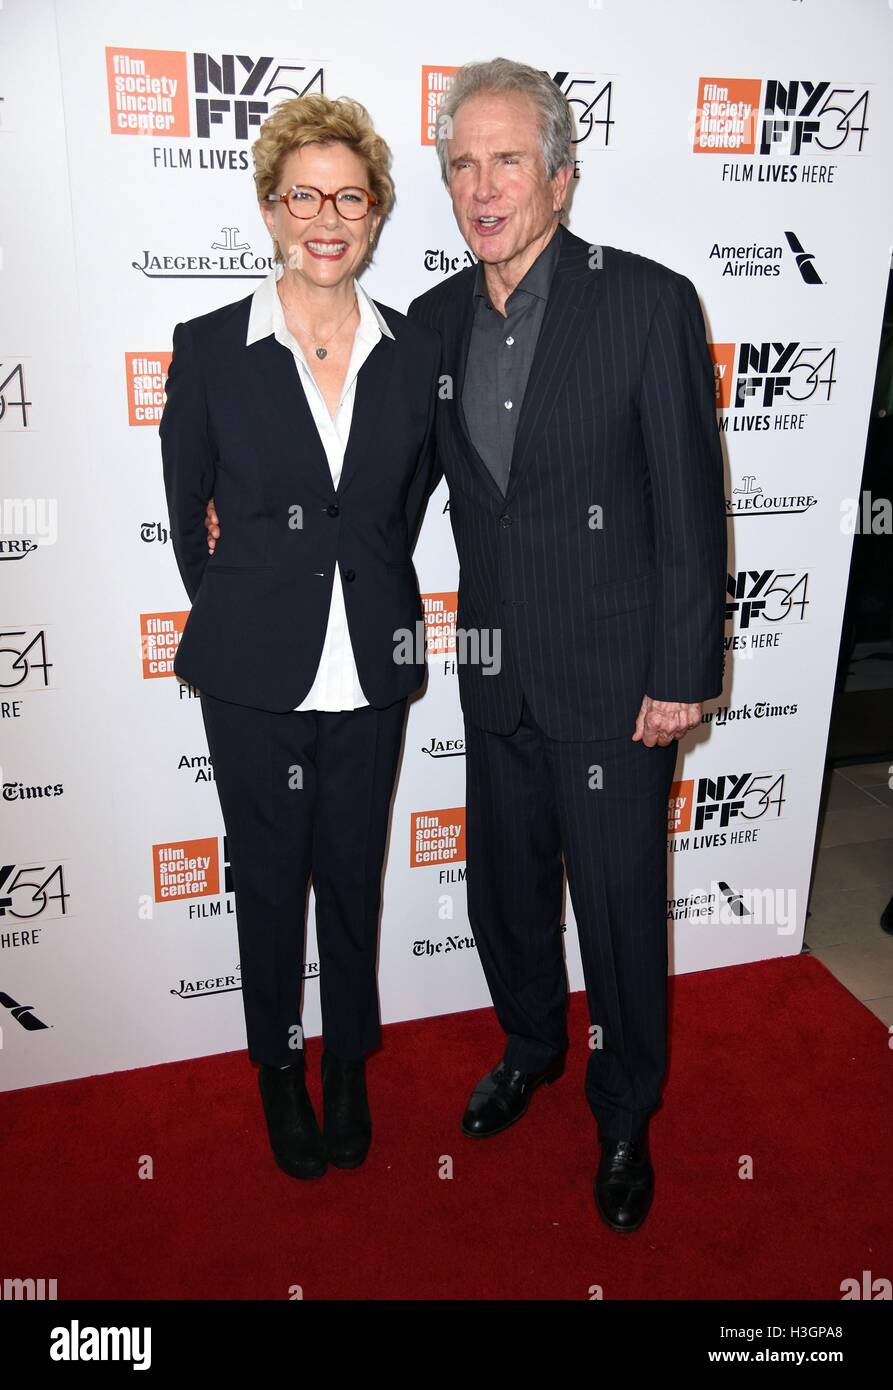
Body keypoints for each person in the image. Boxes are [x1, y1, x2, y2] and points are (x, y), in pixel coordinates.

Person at [406, 58, 727, 1233]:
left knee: (619, 913)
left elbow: (691, 505)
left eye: (506, 161)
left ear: (560, 178)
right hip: (493, 675)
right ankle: (531, 1045)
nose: (481, 188)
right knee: (504, 898)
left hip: (613, 687)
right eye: (460, 165)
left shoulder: (643, 302)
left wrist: (680, 674)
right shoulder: (433, 323)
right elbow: (390, 495)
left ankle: (624, 1106)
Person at [160, 93, 439, 1181]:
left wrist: (345, 579)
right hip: (253, 672)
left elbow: (395, 510)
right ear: (272, 209)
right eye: (304, 195)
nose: (328, 218)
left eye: (351, 197)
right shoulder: (210, 349)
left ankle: (352, 1061)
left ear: (373, 215)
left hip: (371, 662)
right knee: (269, 878)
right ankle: (279, 1065)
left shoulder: (413, 351)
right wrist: (254, 599)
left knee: (353, 872)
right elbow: (192, 520)